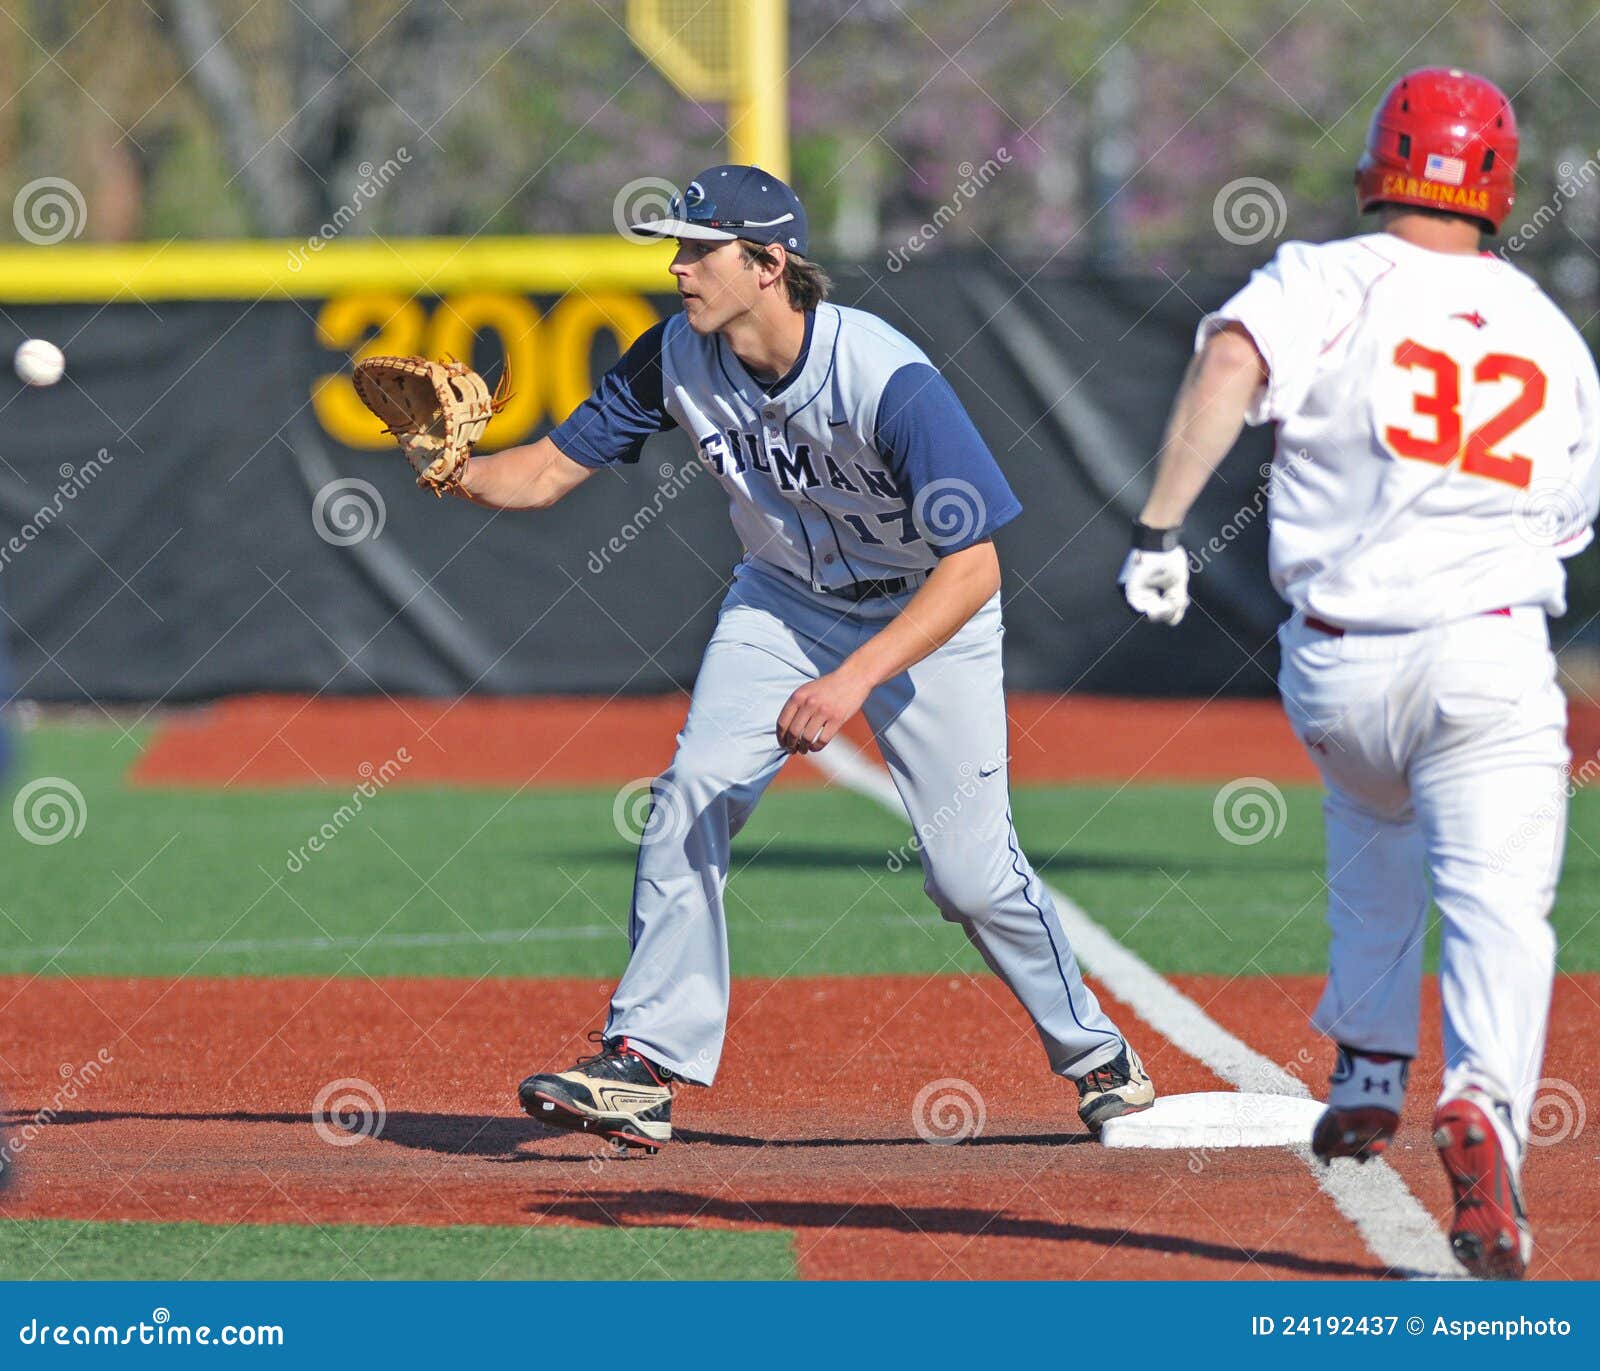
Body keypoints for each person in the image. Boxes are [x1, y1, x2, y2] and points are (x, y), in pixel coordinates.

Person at [451, 164, 1155, 1152]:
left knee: (971, 878)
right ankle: (644, 1062)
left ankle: (1094, 1057)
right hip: (782, 602)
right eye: (677, 247)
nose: (678, 268)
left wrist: (855, 679)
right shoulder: (673, 357)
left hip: (923, 614)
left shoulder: (885, 378)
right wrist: (451, 470)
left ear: (769, 263)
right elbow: (540, 476)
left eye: (700, 251)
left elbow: (974, 569)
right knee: (692, 788)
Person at [1121, 69, 1600, 1278]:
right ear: (1496, 182)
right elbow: (1563, 530)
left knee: (1369, 834)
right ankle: (1484, 1102)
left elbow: (1233, 359)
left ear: (1380, 161)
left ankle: (1370, 1065)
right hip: (1487, 646)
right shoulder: (1550, 330)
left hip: (1338, 660)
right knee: (1499, 909)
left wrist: (1160, 524)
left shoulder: (1323, 277)